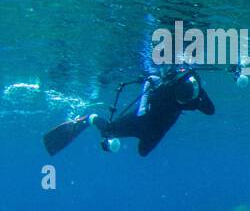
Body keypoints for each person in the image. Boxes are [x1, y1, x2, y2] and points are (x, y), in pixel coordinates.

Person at [43, 58, 216, 157]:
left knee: (143, 152)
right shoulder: (165, 90)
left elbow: (210, 110)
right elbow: (143, 109)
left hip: (159, 126)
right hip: (142, 120)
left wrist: (201, 94)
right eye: (182, 97)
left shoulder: (194, 96)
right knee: (108, 131)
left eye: (188, 98)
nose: (185, 101)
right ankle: (90, 118)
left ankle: (95, 122)